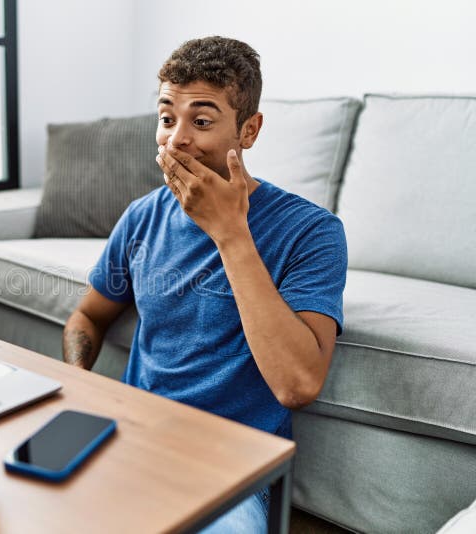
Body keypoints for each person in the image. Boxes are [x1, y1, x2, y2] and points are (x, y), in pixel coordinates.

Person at [61, 36, 347, 532]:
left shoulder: (312, 232)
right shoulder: (142, 217)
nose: (176, 140)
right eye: (168, 118)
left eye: (202, 120)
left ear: (249, 131)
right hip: (132, 439)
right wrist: (79, 383)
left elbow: (297, 384)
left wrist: (230, 232)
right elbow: (87, 316)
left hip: (231, 467)